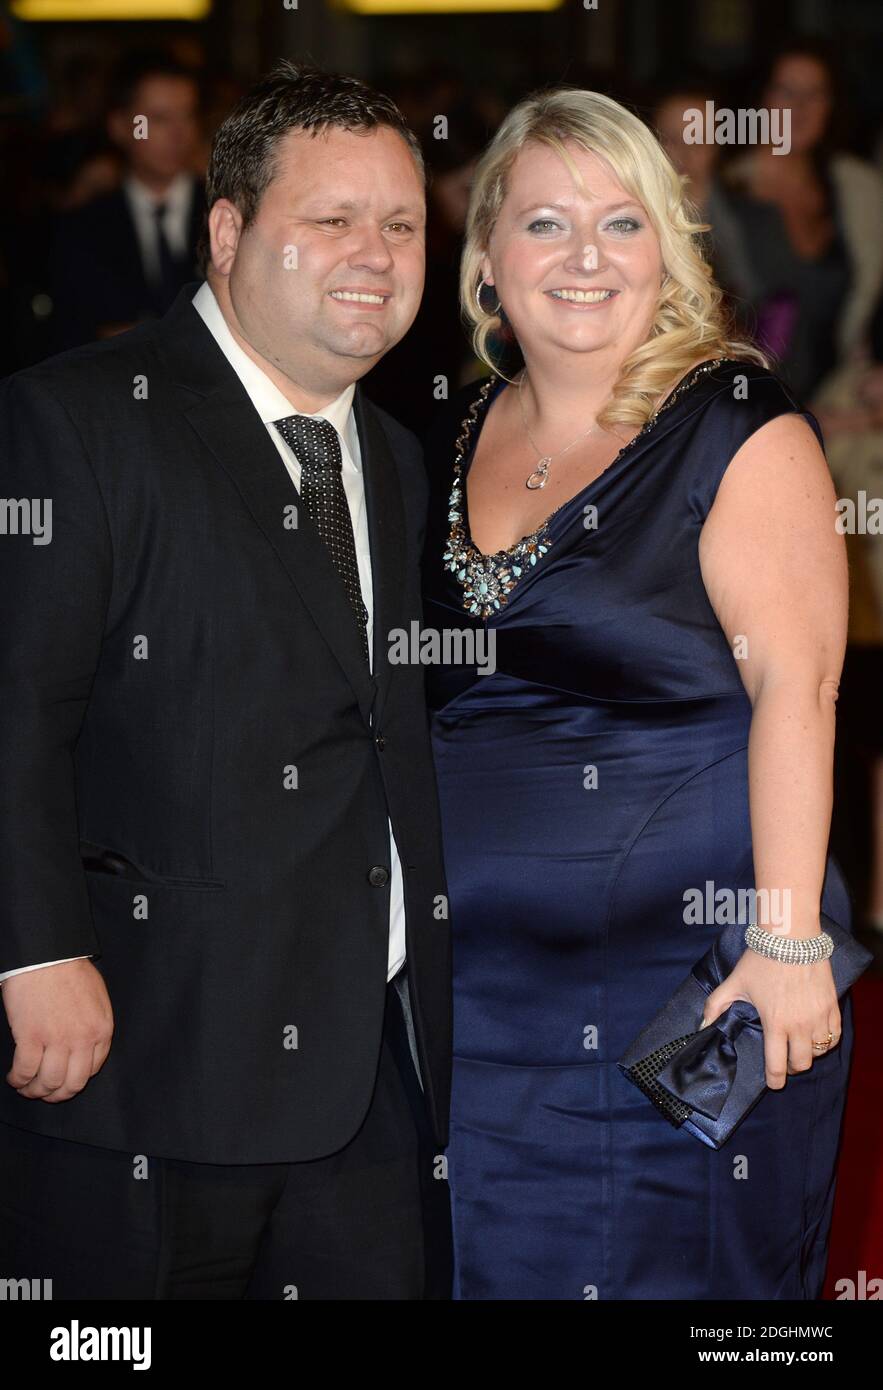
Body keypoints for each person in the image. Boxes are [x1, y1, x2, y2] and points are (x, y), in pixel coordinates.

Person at [0, 60, 452, 1301]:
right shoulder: (76, 421)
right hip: (145, 1071)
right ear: (228, 231)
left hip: (365, 1081)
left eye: (402, 223)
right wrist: (33, 954)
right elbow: (15, 708)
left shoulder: (398, 459)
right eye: (332, 218)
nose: (375, 252)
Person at [421, 85, 856, 1300]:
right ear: (487, 254)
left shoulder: (736, 425)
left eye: (622, 221)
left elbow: (799, 688)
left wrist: (782, 939)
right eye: (545, 222)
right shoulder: (443, 430)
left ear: (668, 244)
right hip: (479, 1013)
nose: (584, 257)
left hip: (690, 992)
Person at [721, 39, 883, 401]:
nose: (800, 107)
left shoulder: (859, 189)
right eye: (786, 91)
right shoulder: (721, 189)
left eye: (816, 93)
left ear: (832, 106)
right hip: (739, 407)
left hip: (838, 404)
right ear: (759, 99)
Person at [48, 50, 206, 351]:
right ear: (120, 127)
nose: (178, 133)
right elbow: (67, 335)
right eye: (158, 119)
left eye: (188, 115)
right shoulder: (83, 227)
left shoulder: (226, 214)